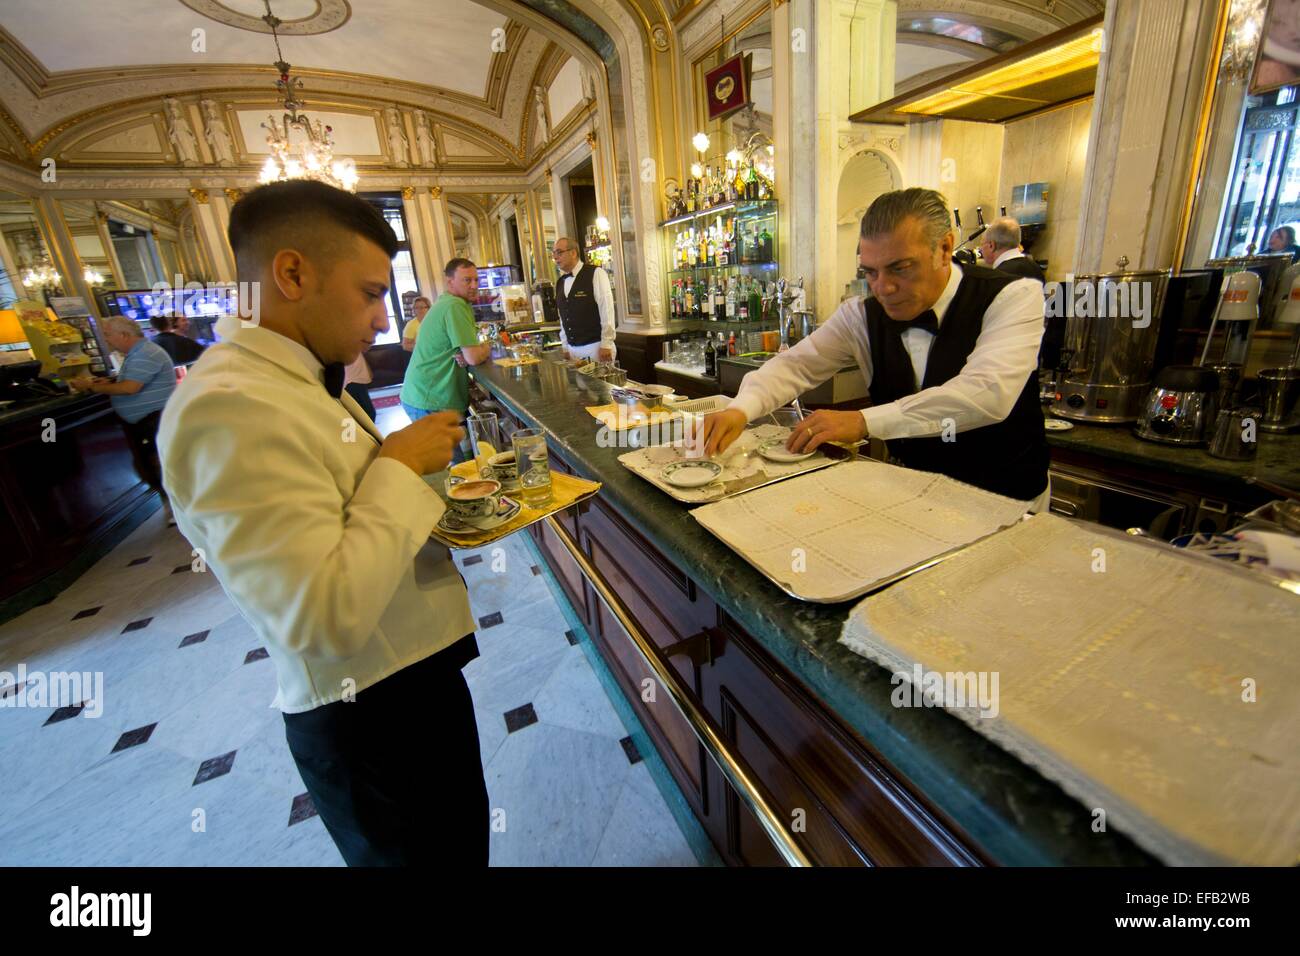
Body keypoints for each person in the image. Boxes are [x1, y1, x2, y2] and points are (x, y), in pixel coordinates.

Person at [157, 180, 486, 866]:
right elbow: (319, 615)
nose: (380, 320)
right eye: (370, 293)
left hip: (413, 682)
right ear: (292, 272)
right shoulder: (226, 404)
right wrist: (397, 464)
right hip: (370, 717)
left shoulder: (294, 380)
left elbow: (346, 514)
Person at [702, 187, 1050, 508]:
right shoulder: (860, 315)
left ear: (944, 248)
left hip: (1006, 500)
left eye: (900, 268)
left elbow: (987, 393)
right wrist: (742, 408)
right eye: (870, 272)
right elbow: (797, 365)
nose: (883, 287)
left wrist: (863, 421)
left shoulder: (1013, 296)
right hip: (915, 497)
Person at [70, 316, 177, 523]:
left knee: (160, 464)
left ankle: (176, 509)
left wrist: (92, 386)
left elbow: (130, 387)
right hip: (148, 420)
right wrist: (109, 381)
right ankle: (173, 507)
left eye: (109, 335)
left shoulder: (146, 353)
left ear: (124, 335)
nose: (108, 340)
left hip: (154, 420)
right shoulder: (138, 354)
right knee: (154, 464)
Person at [399, 259, 491, 463]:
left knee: (462, 461)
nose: (474, 285)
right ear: (450, 282)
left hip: (426, 396)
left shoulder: (450, 303)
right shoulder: (454, 306)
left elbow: (464, 353)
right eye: (467, 280)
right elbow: (474, 357)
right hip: (428, 400)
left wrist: (468, 352)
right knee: (458, 468)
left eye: (476, 279)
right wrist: (487, 347)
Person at [551, 236, 616, 363]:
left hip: (596, 347)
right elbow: (563, 318)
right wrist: (565, 346)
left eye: (559, 252)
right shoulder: (560, 282)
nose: (555, 257)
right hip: (572, 350)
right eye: (553, 254)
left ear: (573, 253)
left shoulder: (596, 273)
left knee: (601, 383)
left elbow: (607, 310)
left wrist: (606, 344)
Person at [978, 217, 1046, 282]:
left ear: (991, 245)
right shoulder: (1036, 269)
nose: (980, 249)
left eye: (982, 244)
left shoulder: (998, 276)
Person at [343, 350, 376, 422]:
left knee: (366, 412)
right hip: (352, 381)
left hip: (355, 380)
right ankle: (367, 431)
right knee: (367, 412)